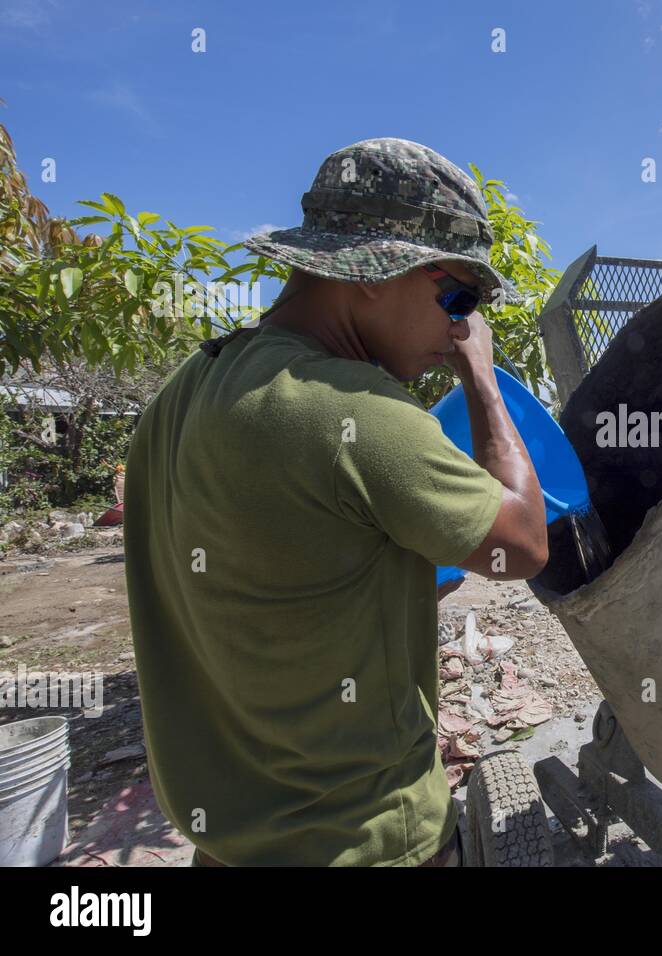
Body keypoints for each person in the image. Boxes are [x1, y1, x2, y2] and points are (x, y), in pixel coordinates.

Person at [124, 138, 548, 867]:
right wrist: (483, 376)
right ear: (377, 272)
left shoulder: (181, 393)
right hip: (361, 838)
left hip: (226, 840)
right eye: (457, 298)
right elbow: (524, 545)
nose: (459, 326)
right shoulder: (356, 413)